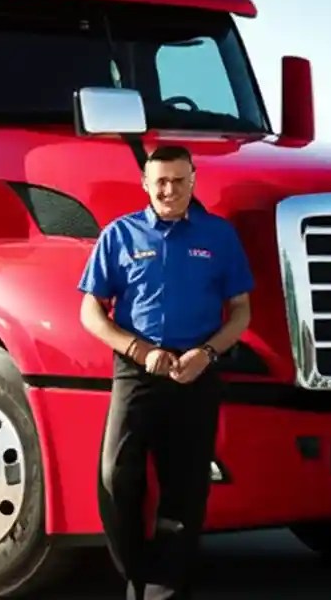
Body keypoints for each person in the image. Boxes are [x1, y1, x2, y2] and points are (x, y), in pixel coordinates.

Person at [77, 144, 253, 600]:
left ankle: (164, 588)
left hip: (198, 370)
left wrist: (207, 354)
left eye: (179, 180)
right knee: (117, 474)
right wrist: (138, 349)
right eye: (161, 181)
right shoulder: (119, 235)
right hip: (137, 370)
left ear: (193, 180)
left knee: (188, 482)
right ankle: (133, 574)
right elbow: (91, 313)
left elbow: (241, 313)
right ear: (145, 183)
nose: (170, 189)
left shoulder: (220, 237)